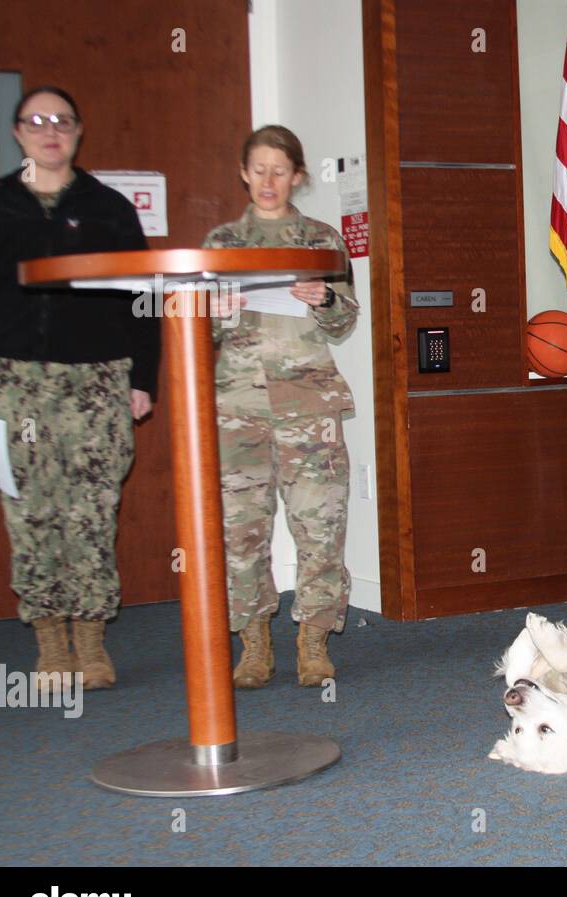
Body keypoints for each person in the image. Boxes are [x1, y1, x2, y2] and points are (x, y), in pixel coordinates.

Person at [0, 87, 157, 691]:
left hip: (96, 380)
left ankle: (90, 640)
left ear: (79, 132)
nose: (49, 130)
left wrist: (142, 378)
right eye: (37, 121)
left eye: (62, 121)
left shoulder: (107, 209)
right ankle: (50, 644)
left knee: (90, 510)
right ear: (17, 132)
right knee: (28, 508)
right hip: (11, 381)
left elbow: (143, 297)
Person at [203, 125, 358, 688]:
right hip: (236, 408)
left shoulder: (321, 240)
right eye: (258, 169)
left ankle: (313, 639)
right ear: (244, 173)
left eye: (280, 170)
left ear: (297, 175)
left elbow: (344, 320)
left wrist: (325, 298)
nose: (269, 181)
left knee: (321, 524)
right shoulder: (220, 244)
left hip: (308, 403)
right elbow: (197, 329)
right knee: (240, 530)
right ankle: (253, 640)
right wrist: (215, 309)